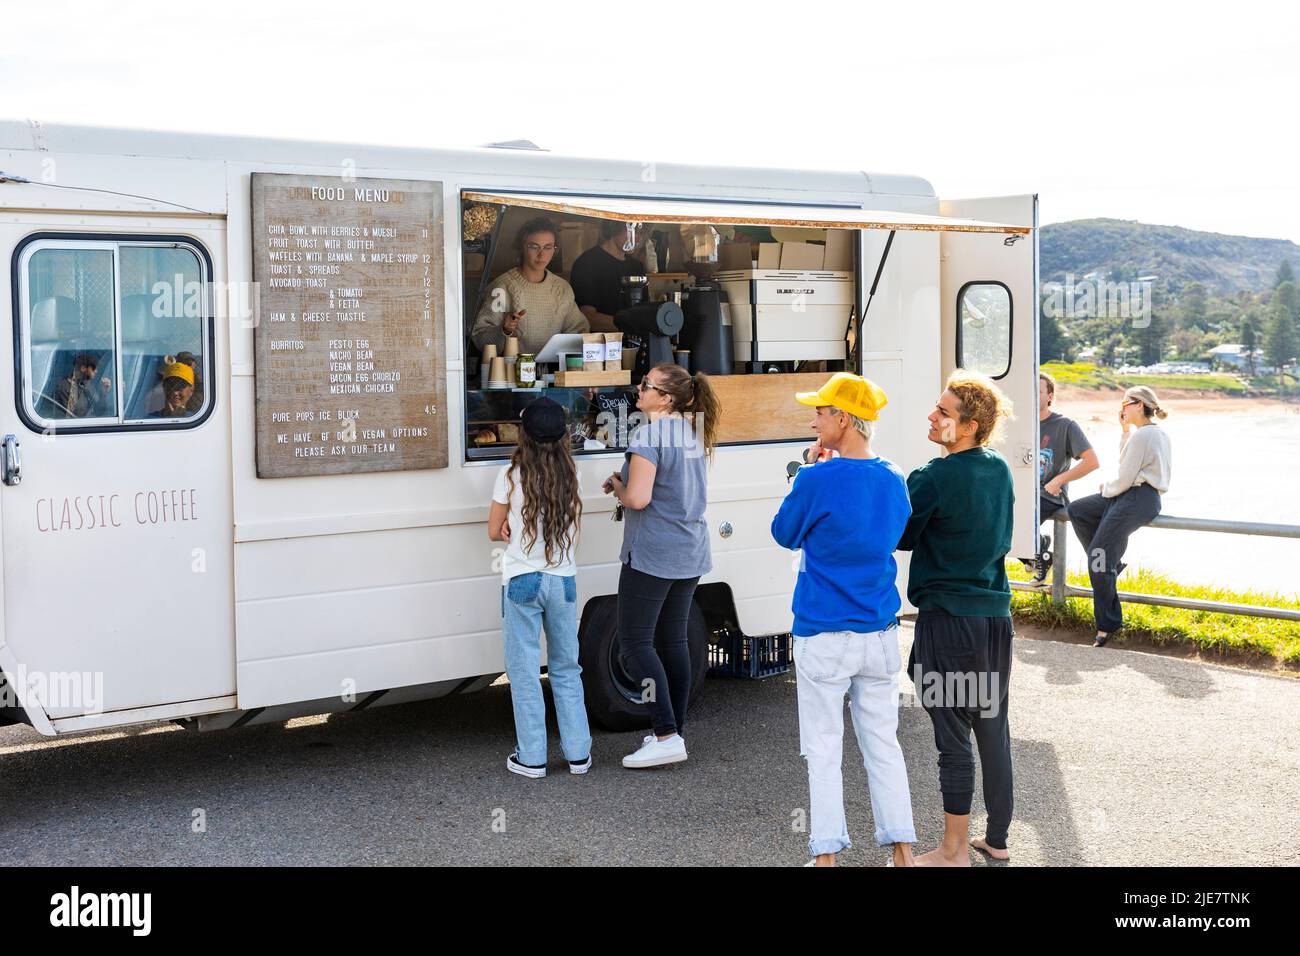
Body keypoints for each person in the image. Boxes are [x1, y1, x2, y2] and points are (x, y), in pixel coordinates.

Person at [770, 373, 917, 868]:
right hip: (879, 629)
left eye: (821, 412)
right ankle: (901, 850)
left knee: (823, 748)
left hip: (823, 632)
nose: (813, 420)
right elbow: (894, 534)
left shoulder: (815, 478)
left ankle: (828, 855)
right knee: (882, 743)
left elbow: (784, 534)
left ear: (843, 419)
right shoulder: (894, 476)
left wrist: (802, 476)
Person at [897, 370, 1015, 866]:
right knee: (992, 727)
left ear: (967, 427)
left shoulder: (934, 477)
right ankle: (998, 840)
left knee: (951, 738)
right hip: (994, 617)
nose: (933, 415)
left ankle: (953, 852)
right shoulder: (1001, 469)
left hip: (949, 621)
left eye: (943, 412)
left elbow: (901, 537)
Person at [603, 363, 720, 769]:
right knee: (673, 642)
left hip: (653, 553)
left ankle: (666, 733)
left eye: (646, 385)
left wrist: (618, 486)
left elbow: (637, 499)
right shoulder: (690, 432)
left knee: (636, 646)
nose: (639, 387)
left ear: (665, 398)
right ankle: (673, 732)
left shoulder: (648, 434)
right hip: (690, 551)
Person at [488, 397, 592, 778]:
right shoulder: (572, 473)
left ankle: (532, 756)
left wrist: (505, 529)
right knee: (567, 667)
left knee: (525, 670)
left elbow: (493, 529)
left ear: (523, 435)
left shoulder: (509, 474)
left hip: (521, 580)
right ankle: (579, 753)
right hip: (562, 579)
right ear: (562, 436)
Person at [1068, 386, 1171, 647]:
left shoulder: (1146, 435)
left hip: (1138, 497)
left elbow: (1125, 476)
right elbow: (1128, 464)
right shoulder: (1144, 434)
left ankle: (1107, 624)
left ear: (1140, 405)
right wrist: (1125, 432)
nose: (1122, 407)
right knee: (1078, 510)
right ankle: (1108, 563)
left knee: (1098, 557)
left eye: (1127, 402)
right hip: (1130, 495)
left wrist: (1107, 488)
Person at [471, 217, 589, 357]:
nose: (541, 254)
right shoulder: (502, 287)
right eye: (534, 246)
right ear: (522, 247)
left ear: (554, 249)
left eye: (548, 247)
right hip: (512, 373)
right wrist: (504, 330)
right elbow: (480, 339)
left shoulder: (562, 288)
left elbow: (580, 331)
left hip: (553, 373)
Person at [1030, 371, 1098, 588]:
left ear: (1050, 396)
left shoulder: (1066, 425)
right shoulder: (1020, 424)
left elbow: (1091, 461)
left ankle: (1039, 549)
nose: (1032, 394)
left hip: (1049, 495)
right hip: (1021, 493)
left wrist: (1059, 480)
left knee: (1014, 523)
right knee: (995, 522)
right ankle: (1040, 551)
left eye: (1038, 391)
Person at [569, 220, 645, 332]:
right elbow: (587, 318)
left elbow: (644, 312)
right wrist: (630, 324)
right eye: (633, 232)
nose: (637, 239)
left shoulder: (636, 267)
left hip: (636, 345)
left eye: (641, 233)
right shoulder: (587, 263)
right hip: (600, 345)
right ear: (614, 228)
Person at [53, 353, 113, 418]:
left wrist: (103, 394)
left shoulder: (87, 384)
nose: (96, 371)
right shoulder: (62, 387)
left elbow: (99, 411)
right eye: (93, 369)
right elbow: (68, 417)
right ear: (83, 368)